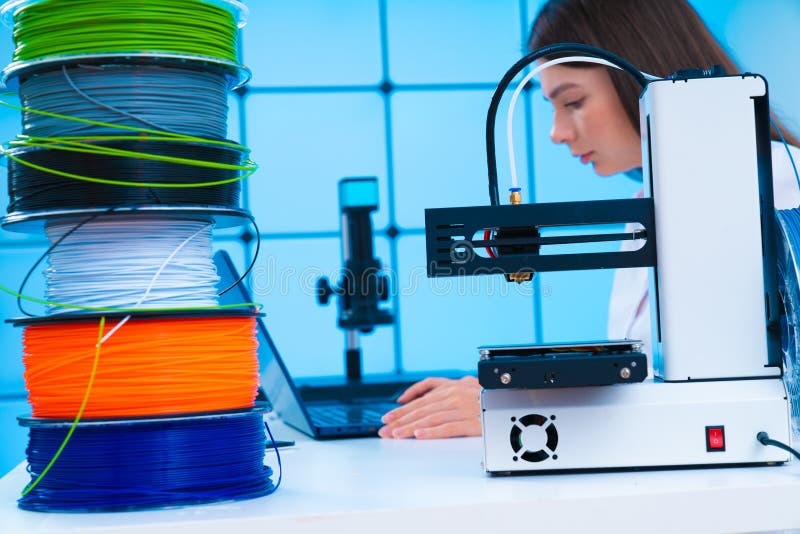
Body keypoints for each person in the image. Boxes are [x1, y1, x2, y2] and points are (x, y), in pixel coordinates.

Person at [378, 0, 800, 440]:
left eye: (573, 101)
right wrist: (517, 395)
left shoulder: (781, 188)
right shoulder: (649, 203)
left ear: (640, 73)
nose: (556, 132)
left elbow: (753, 403)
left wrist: (523, 409)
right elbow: (648, 385)